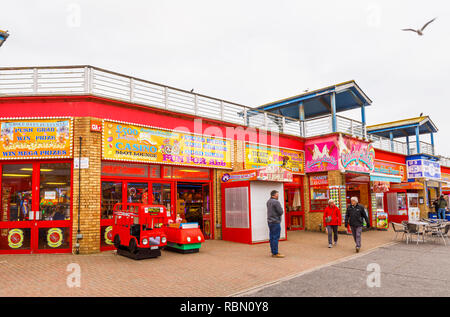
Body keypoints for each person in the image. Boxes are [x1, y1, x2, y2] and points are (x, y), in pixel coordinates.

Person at [267, 190, 284, 258]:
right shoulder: (276, 202)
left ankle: (273, 251)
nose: (278, 196)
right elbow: (280, 212)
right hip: (275, 222)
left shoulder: (268, 201)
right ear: (273, 195)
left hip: (270, 222)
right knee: (276, 237)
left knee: (272, 237)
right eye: (277, 194)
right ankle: (275, 253)